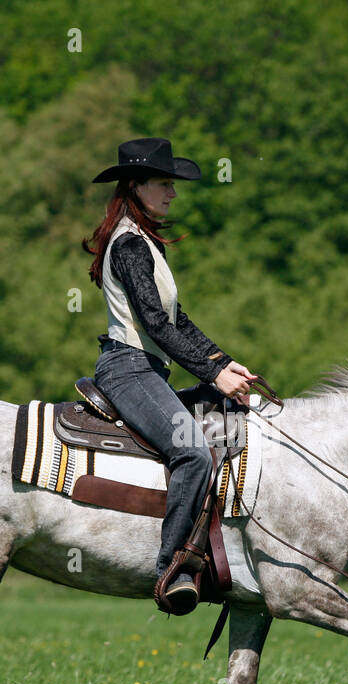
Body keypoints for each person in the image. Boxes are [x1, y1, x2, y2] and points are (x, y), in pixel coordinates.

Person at [83, 137, 257, 613]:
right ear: (136, 186)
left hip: (147, 369)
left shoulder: (145, 242)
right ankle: (173, 569)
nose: (173, 194)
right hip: (128, 368)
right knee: (194, 454)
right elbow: (155, 326)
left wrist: (221, 362)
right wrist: (211, 372)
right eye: (164, 184)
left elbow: (177, 321)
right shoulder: (130, 244)